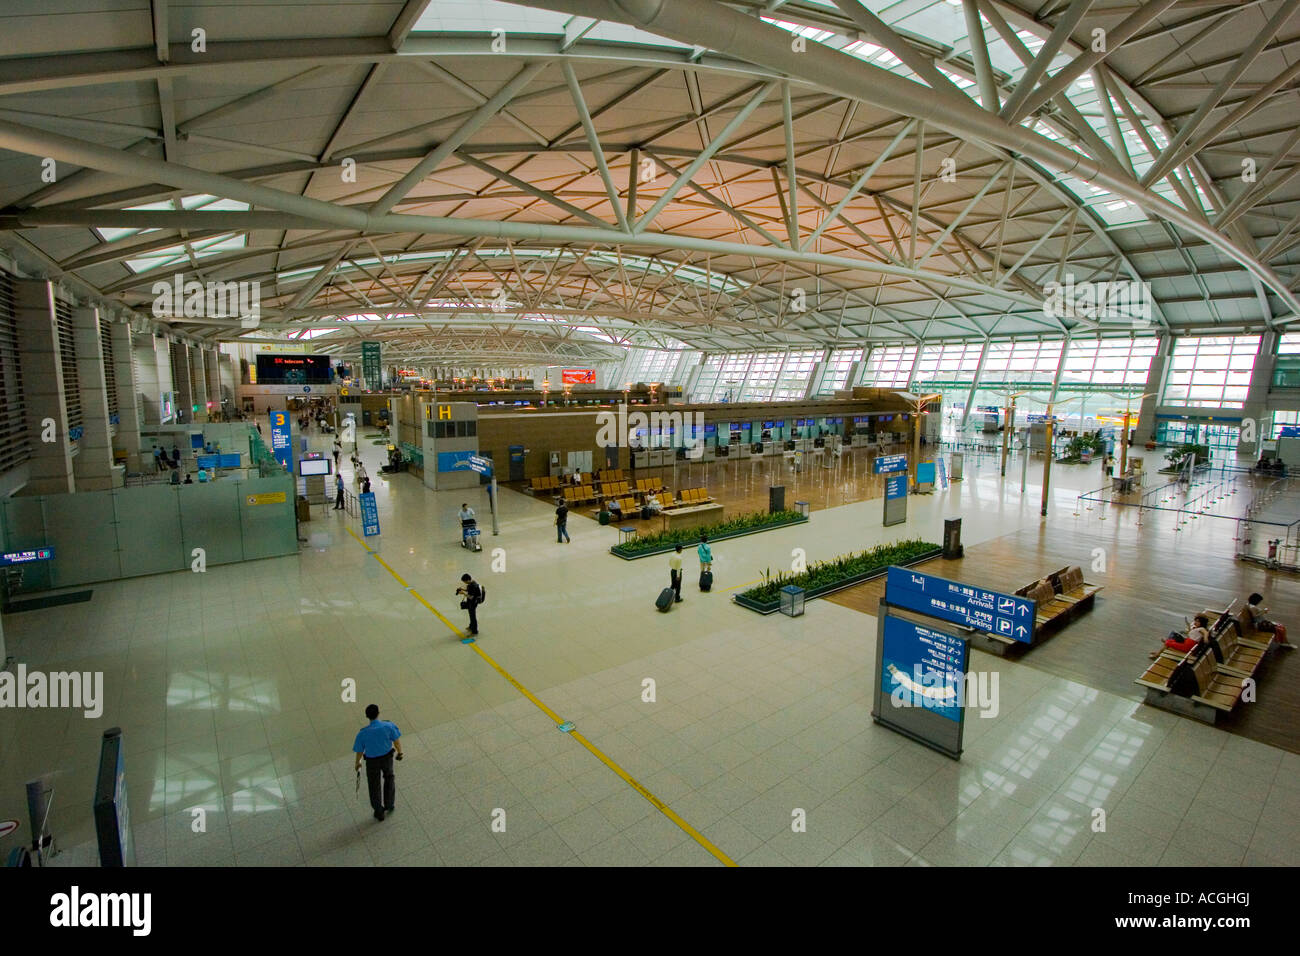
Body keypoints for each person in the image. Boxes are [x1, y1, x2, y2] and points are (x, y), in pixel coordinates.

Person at [352, 703, 403, 821]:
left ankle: (378, 811)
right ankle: (389, 804)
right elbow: (396, 741)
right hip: (387, 758)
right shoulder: (388, 726)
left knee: (374, 785)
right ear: (378, 713)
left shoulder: (363, 733)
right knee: (389, 778)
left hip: (372, 761)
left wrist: (358, 763)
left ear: (367, 716)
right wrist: (400, 753)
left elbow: (359, 751)